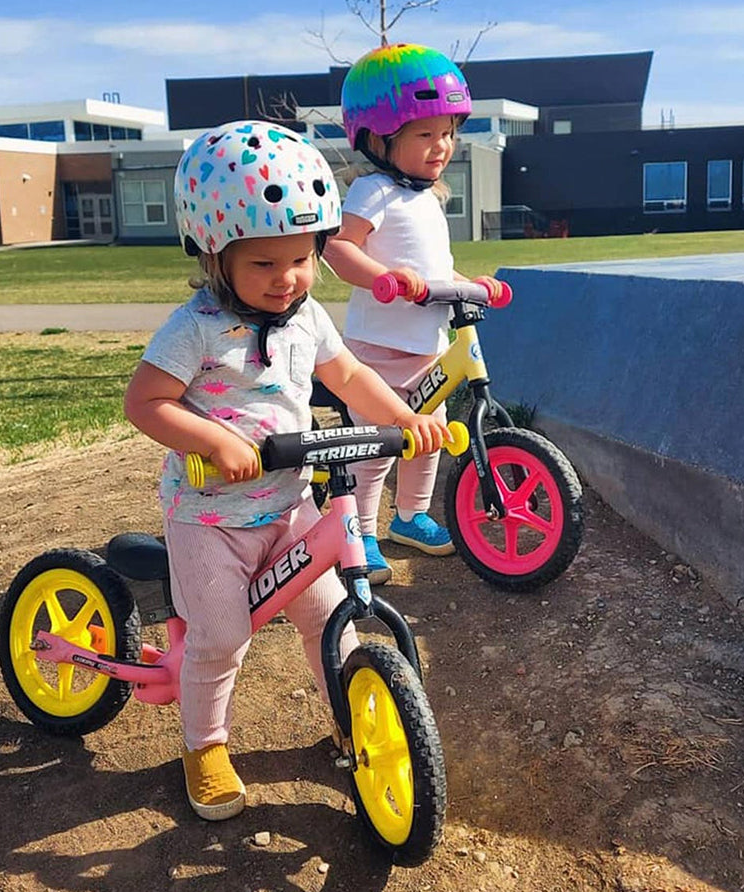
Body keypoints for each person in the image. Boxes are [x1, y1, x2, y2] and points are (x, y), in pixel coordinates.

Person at [123, 120, 448, 822]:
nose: (286, 279)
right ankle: (204, 746)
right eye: (263, 264)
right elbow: (145, 402)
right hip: (212, 518)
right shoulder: (196, 327)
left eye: (299, 259)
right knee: (222, 636)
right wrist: (210, 438)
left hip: (290, 502)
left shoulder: (308, 319)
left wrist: (405, 420)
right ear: (216, 258)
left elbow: (351, 374)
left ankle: (352, 721)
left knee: (330, 616)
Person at [325, 43, 503, 585]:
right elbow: (338, 248)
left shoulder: (428, 199)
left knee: (433, 433)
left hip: (427, 343)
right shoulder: (372, 190)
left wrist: (470, 285)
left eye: (447, 133)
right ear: (378, 137)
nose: (441, 146)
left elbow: (437, 267)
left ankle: (411, 517)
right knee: (376, 446)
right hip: (377, 348)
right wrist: (382, 279)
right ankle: (362, 536)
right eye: (425, 134)